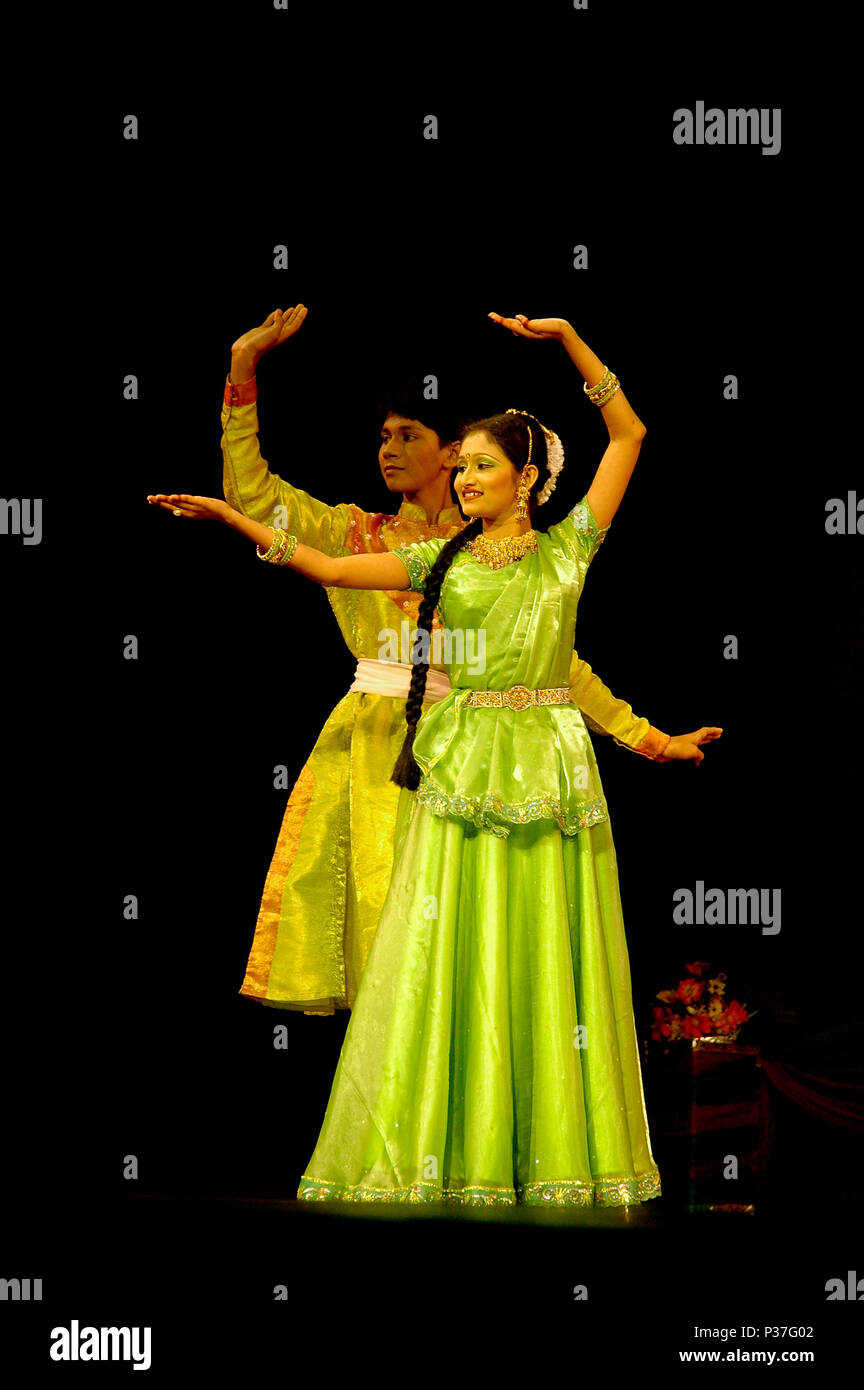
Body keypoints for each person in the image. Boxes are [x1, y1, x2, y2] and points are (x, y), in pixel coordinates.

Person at [148, 311, 714, 1206]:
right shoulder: (424, 557)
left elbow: (625, 451)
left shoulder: (558, 553)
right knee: (424, 958)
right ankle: (431, 1146)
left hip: (542, 767)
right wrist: (230, 517)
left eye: (462, 456)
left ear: (514, 474)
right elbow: (320, 565)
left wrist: (570, 342)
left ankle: (539, 1143)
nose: (443, 468)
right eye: (456, 463)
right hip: (428, 760)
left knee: (536, 958)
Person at [214, 306, 721, 1018]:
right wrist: (243, 373)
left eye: (408, 436)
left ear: (455, 453)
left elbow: (551, 667)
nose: (388, 450)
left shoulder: (506, 553)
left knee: (471, 954)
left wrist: (645, 737)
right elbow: (271, 511)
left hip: (472, 749)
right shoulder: (370, 535)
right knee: (383, 947)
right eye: (383, 436)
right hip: (375, 752)